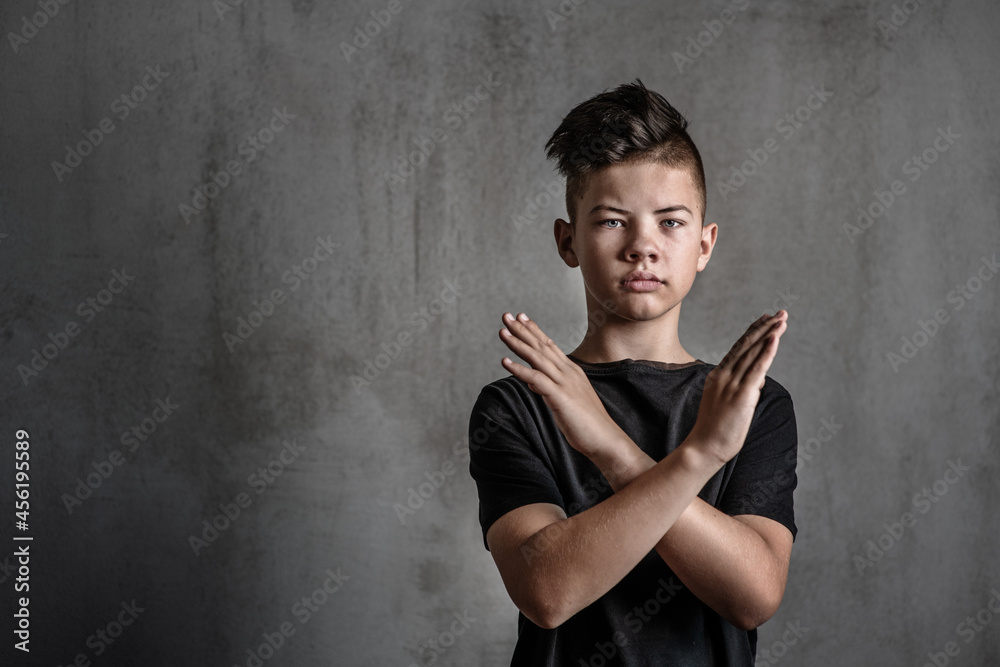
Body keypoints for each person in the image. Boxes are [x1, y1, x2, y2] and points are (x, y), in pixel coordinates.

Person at [467, 78, 798, 666]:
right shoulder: (515, 407)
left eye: (670, 222)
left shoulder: (752, 403)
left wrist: (610, 449)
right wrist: (698, 459)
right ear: (567, 241)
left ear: (704, 243)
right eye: (612, 221)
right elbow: (547, 593)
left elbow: (753, 595)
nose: (643, 246)